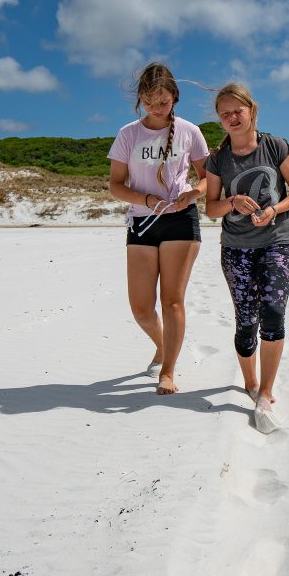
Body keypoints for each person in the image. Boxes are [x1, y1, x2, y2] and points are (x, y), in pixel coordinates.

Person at [203, 82, 289, 433]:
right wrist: (232, 202)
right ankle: (249, 382)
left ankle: (265, 391)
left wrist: (274, 208)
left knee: (274, 313)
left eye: (237, 111)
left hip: (277, 241)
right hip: (236, 248)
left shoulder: (276, 147)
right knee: (246, 320)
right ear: (220, 120)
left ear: (252, 111)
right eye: (225, 114)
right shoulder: (218, 160)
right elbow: (211, 209)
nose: (232, 118)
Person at [107, 62, 209, 395]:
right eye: (149, 102)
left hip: (181, 220)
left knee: (172, 301)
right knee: (140, 307)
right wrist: (146, 199)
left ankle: (168, 371)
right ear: (140, 100)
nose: (156, 107)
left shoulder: (190, 132)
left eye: (162, 101)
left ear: (174, 98)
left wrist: (192, 193)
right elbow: (115, 185)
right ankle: (163, 344)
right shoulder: (128, 134)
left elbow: (209, 179)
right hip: (141, 220)